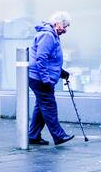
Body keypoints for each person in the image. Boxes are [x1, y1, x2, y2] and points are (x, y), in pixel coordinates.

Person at [27, 11, 75, 147]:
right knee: (49, 106)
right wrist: (46, 79)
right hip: (39, 77)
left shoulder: (51, 34)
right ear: (57, 23)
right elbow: (41, 59)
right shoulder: (47, 35)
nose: (65, 30)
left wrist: (61, 72)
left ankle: (33, 136)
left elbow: (51, 60)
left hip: (39, 76)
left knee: (41, 107)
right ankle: (58, 135)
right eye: (64, 26)